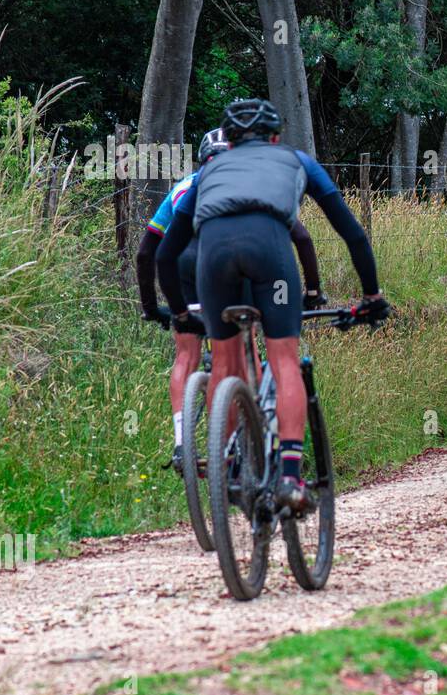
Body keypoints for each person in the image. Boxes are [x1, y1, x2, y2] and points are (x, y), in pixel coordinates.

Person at [156, 99, 388, 514]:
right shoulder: (296, 160)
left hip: (213, 260)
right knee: (283, 359)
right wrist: (371, 296)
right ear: (276, 137)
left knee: (224, 364)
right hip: (270, 253)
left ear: (230, 140)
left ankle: (227, 464)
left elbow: (162, 255)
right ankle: (289, 476)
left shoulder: (207, 172)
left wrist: (178, 311)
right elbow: (352, 233)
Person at [137, 128, 325, 473]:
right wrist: (313, 291)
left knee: (186, 354)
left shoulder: (184, 186)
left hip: (185, 264)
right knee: (245, 339)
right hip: (238, 261)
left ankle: (182, 443)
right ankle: (243, 429)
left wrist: (151, 308)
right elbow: (300, 236)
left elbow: (146, 251)